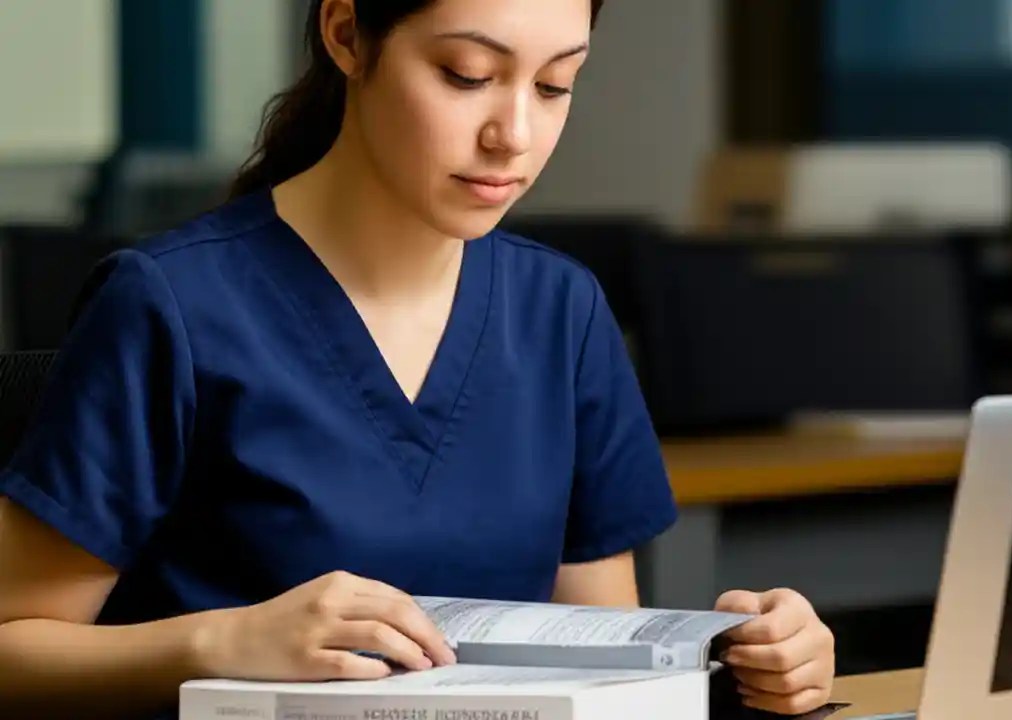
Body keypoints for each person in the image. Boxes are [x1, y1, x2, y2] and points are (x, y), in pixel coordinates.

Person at [0, 1, 836, 718]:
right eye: (467, 75)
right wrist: (225, 639)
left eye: (554, 86)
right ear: (345, 33)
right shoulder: (169, 305)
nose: (514, 134)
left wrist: (751, 662)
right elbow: (12, 653)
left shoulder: (561, 311)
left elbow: (606, 662)